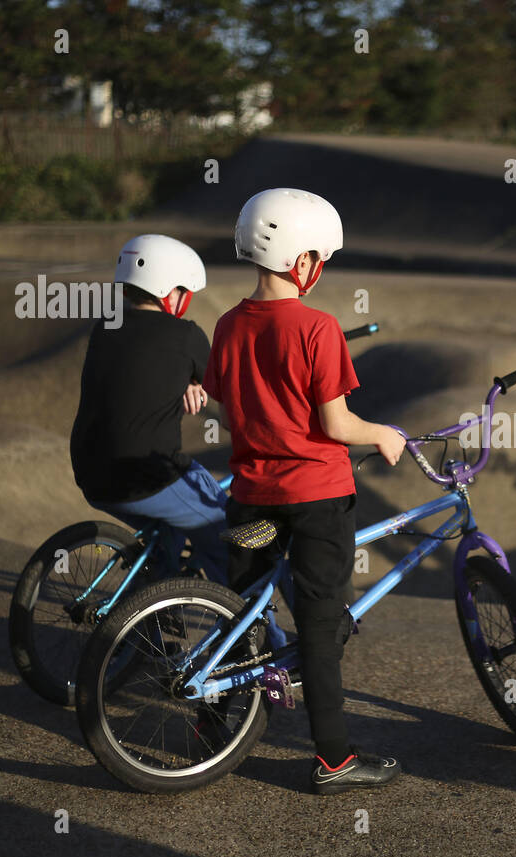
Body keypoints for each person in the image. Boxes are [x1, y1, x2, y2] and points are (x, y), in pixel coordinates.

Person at [204, 188, 407, 795]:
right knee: (321, 627)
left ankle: (213, 729)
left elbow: (227, 397)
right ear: (303, 264)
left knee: (240, 615)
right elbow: (336, 426)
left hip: (251, 494)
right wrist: (386, 436)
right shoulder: (317, 327)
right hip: (316, 497)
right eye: (322, 258)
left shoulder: (227, 322)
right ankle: (336, 761)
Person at [70, 234, 234, 585]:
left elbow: (142, 367)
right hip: (144, 478)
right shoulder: (186, 335)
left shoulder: (105, 327)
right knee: (227, 536)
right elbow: (228, 391)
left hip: (91, 473)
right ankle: (252, 635)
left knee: (168, 533)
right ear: (169, 290)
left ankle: (154, 621)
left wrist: (188, 381)